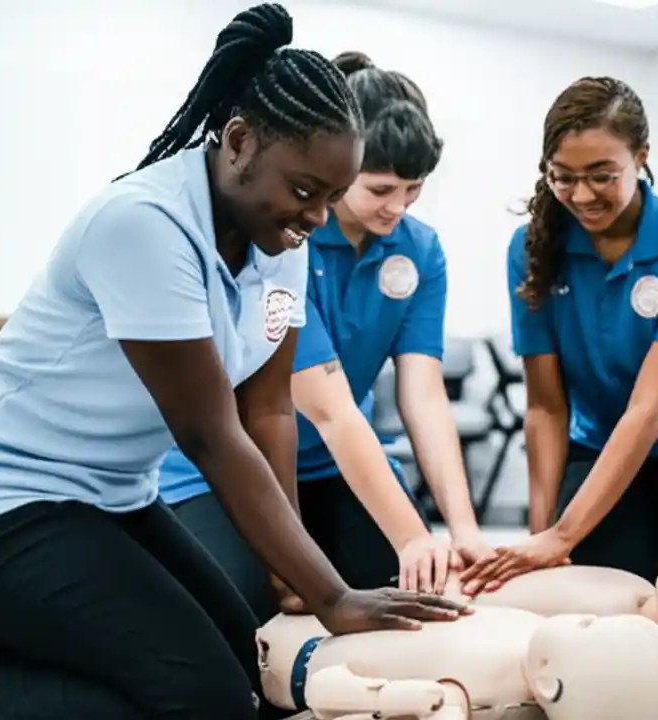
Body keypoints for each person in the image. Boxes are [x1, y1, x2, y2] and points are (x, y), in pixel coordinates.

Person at [0, 5, 466, 719]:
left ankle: (18, 646)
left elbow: (269, 407)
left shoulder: (283, 243)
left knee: (240, 662)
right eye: (304, 190)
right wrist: (331, 596)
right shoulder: (144, 225)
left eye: (330, 195)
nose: (318, 216)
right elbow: (211, 435)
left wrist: (290, 575)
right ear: (238, 141)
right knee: (203, 697)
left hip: (108, 494)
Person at [157, 49, 492, 622]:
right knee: (246, 608)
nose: (399, 207)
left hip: (337, 465)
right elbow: (328, 408)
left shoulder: (420, 250)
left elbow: (423, 393)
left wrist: (461, 532)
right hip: (231, 463)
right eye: (381, 189)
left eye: (413, 190)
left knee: (411, 590)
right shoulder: (286, 235)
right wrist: (413, 535)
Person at [457, 77, 658, 596]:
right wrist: (543, 535)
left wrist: (564, 533)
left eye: (602, 175)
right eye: (563, 177)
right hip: (602, 447)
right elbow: (545, 406)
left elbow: (650, 410)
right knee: (598, 605)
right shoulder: (533, 248)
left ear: (641, 157)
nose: (582, 195)